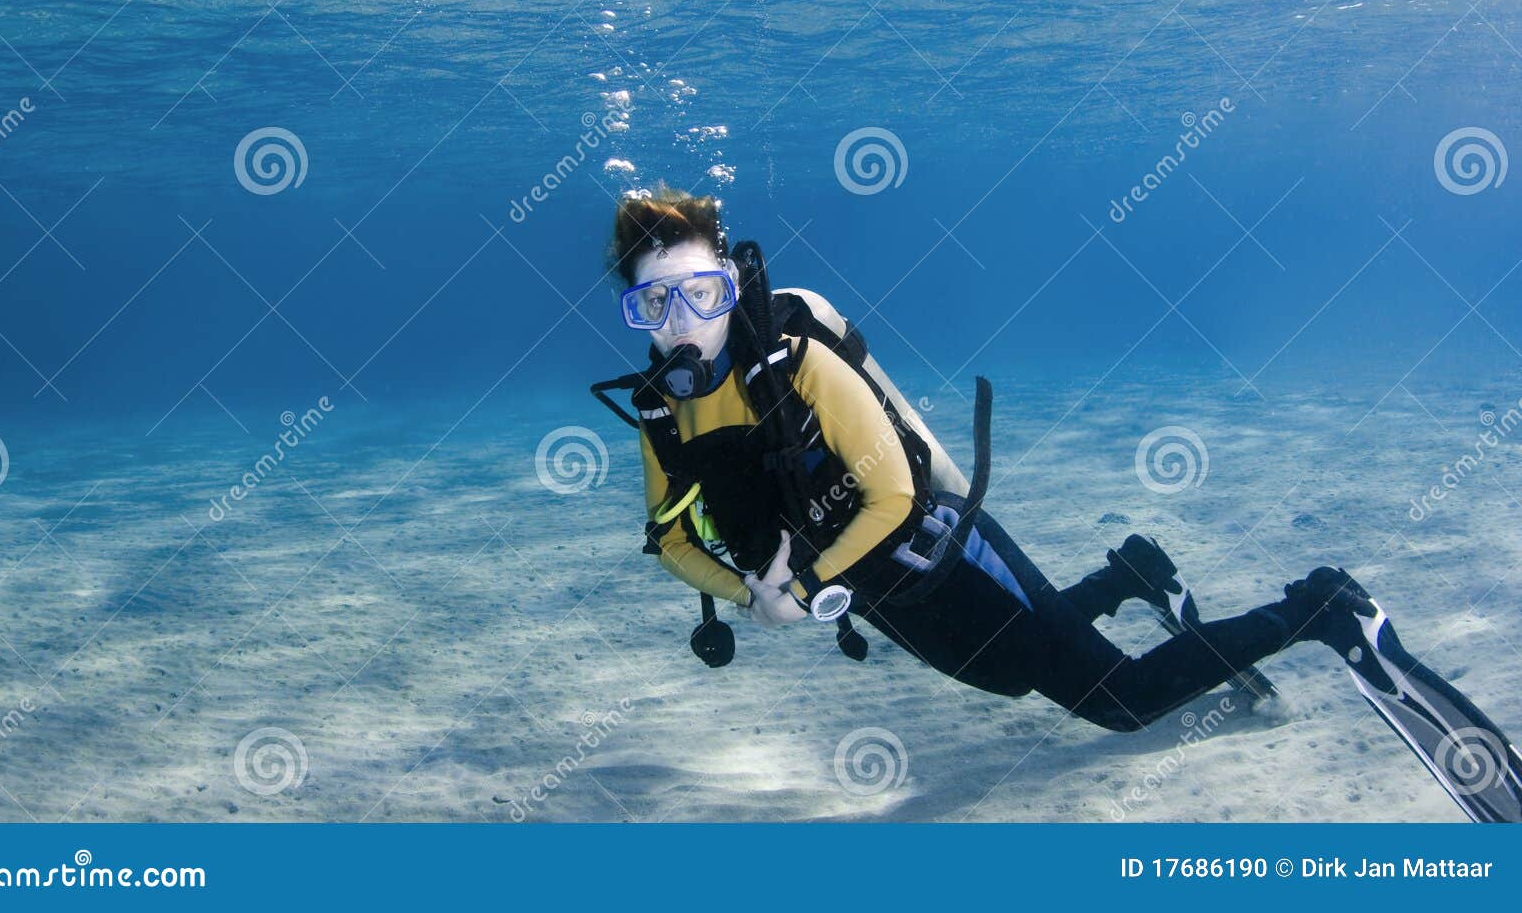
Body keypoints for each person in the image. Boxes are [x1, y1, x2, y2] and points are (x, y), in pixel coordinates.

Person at [589, 187, 1390, 735]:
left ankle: (1319, 606)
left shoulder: (799, 364)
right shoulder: (663, 414)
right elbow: (670, 542)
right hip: (873, 595)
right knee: (1019, 677)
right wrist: (752, 596)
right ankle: (1130, 574)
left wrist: (796, 587)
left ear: (730, 283)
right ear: (633, 314)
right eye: (652, 303)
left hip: (942, 549)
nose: (683, 324)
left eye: (701, 292)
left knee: (1120, 701)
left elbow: (894, 495)